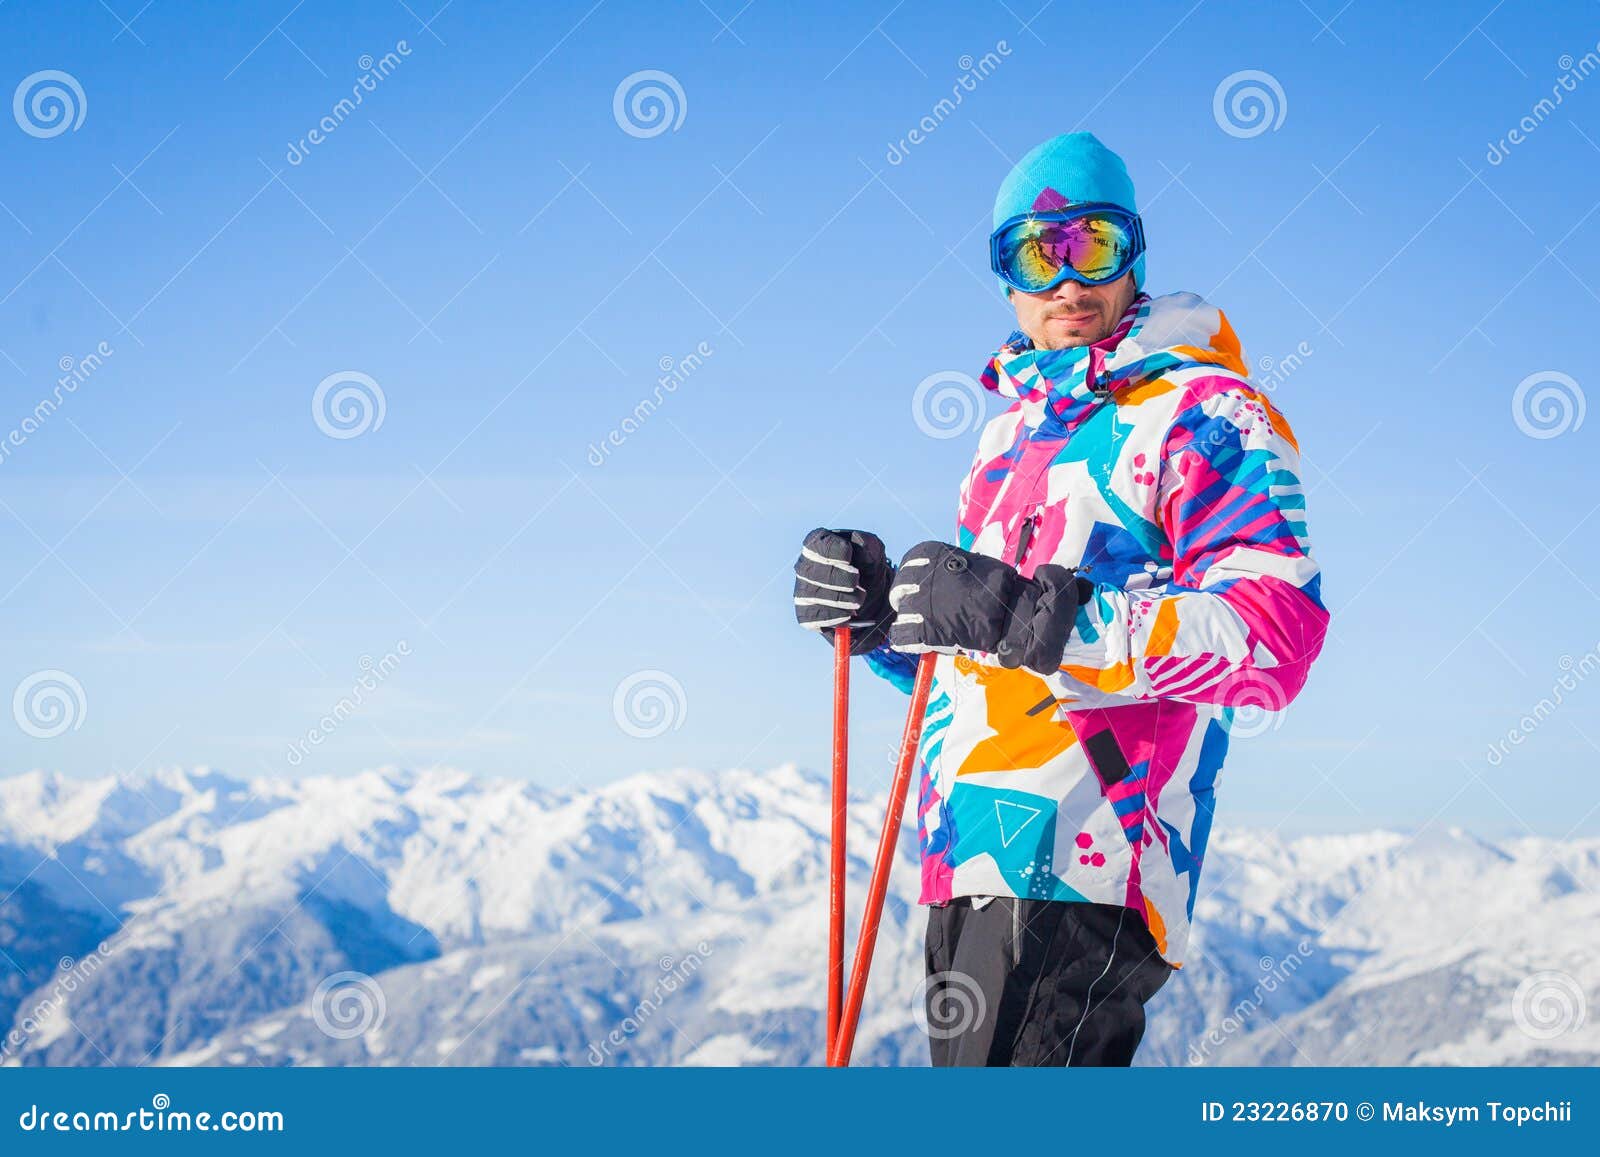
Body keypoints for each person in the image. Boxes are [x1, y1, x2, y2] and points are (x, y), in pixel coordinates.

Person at [792, 132, 1329, 1067]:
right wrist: (888, 621)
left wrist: (1014, 612)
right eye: (1039, 253)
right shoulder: (1010, 432)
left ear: (1137, 257)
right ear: (1006, 277)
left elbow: (1271, 640)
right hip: (969, 848)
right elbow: (1001, 663)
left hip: (1090, 853)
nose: (1068, 280)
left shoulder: (1206, 413)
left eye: (1095, 245)